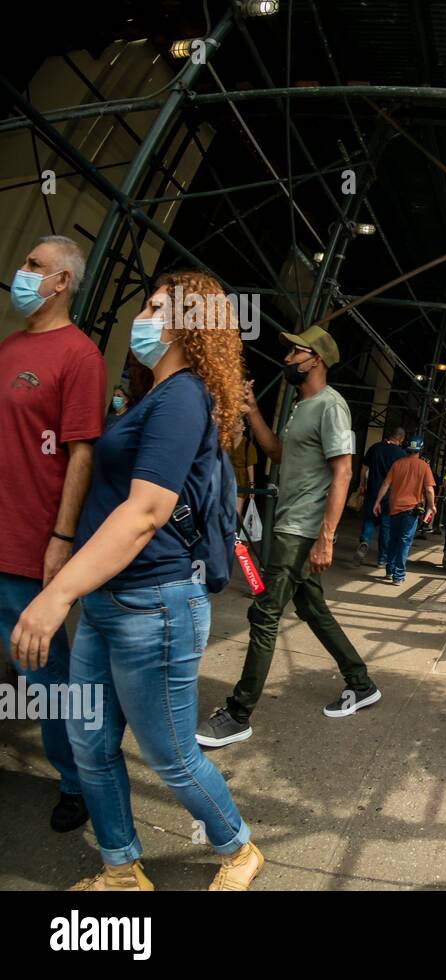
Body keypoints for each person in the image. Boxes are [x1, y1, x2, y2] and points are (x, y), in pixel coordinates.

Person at [10, 270, 264, 890]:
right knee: (91, 745)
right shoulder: (158, 393)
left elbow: (147, 512)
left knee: (170, 754)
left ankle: (239, 849)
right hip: (109, 603)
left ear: (188, 323)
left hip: (154, 607)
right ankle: (121, 869)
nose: (142, 317)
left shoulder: (182, 397)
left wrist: (55, 595)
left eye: (157, 307)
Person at [197, 324, 379, 749]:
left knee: (264, 616)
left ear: (315, 359)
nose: (286, 360)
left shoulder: (332, 406)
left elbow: (344, 472)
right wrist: (251, 412)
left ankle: (239, 713)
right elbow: (279, 453)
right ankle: (361, 682)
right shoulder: (303, 405)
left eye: (294, 353)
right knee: (313, 609)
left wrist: (327, 537)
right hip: (289, 523)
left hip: (302, 528)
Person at [0, 235, 103, 833]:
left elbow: (81, 454)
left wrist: (60, 540)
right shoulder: (9, 347)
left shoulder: (79, 357)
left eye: (34, 265)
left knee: (47, 679)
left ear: (61, 281)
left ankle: (77, 782)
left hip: (28, 547)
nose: (23, 272)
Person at [373, 436, 437, 585]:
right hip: (411, 509)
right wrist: (431, 506)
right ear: (420, 450)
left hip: (394, 508)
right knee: (404, 541)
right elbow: (429, 490)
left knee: (393, 539)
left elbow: (385, 485)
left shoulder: (397, 464)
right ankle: (398, 576)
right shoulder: (424, 467)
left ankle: (389, 570)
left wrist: (377, 502)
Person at [353, 426, 405, 566]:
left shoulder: (375, 447)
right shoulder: (401, 454)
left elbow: (364, 468)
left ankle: (365, 541)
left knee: (369, 520)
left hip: (372, 490)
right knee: (386, 526)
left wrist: (362, 484)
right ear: (401, 439)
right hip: (389, 495)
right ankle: (382, 559)